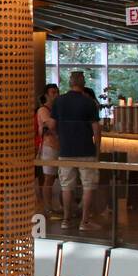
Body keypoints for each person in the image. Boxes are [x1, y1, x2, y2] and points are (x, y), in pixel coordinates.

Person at [51, 70, 102, 232]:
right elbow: (96, 129)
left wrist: (59, 137)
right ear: (83, 83)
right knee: (88, 185)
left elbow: (52, 125)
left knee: (66, 186)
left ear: (69, 83)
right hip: (86, 149)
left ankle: (66, 220)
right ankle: (84, 221)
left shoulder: (59, 101)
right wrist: (97, 149)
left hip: (66, 150)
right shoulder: (89, 103)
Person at [36, 83, 60, 217]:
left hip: (59, 146)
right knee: (49, 178)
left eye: (57, 92)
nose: (56, 95)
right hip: (49, 146)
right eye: (53, 93)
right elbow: (49, 125)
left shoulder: (56, 109)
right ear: (46, 95)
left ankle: (53, 205)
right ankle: (48, 206)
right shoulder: (44, 110)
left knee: (55, 177)